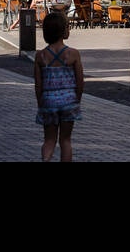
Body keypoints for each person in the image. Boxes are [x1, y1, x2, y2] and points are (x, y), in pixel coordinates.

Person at [33, 11, 83, 162]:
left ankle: (45, 159)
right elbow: (80, 82)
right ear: (63, 31)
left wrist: (40, 102)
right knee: (65, 140)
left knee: (49, 140)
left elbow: (38, 84)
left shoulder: (40, 56)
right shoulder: (73, 54)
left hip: (48, 100)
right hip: (69, 100)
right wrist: (77, 100)